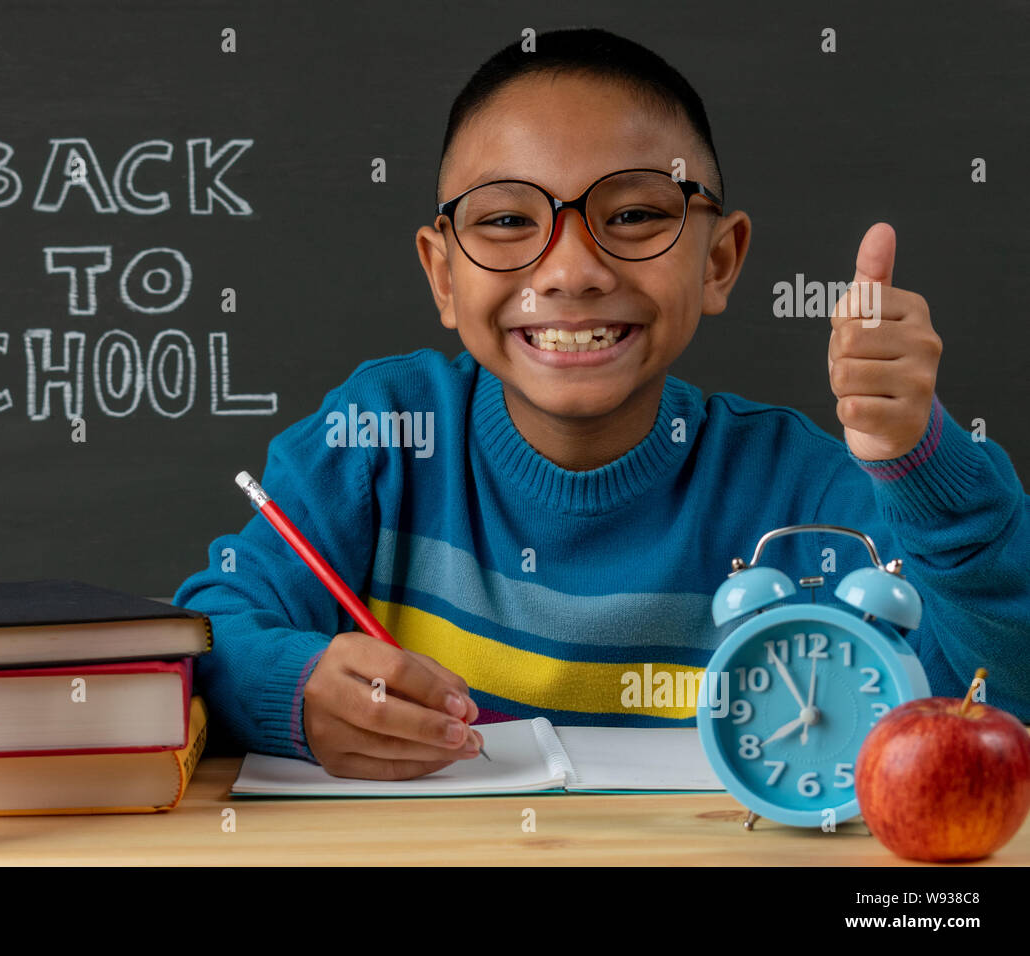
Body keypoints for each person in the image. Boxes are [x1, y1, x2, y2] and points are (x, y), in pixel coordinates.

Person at [173, 28, 1030, 780]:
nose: (571, 268)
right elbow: (207, 634)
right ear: (442, 272)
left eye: (634, 215)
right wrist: (295, 691)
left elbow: (994, 699)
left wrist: (924, 464)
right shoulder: (381, 439)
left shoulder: (804, 496)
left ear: (721, 261)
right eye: (507, 221)